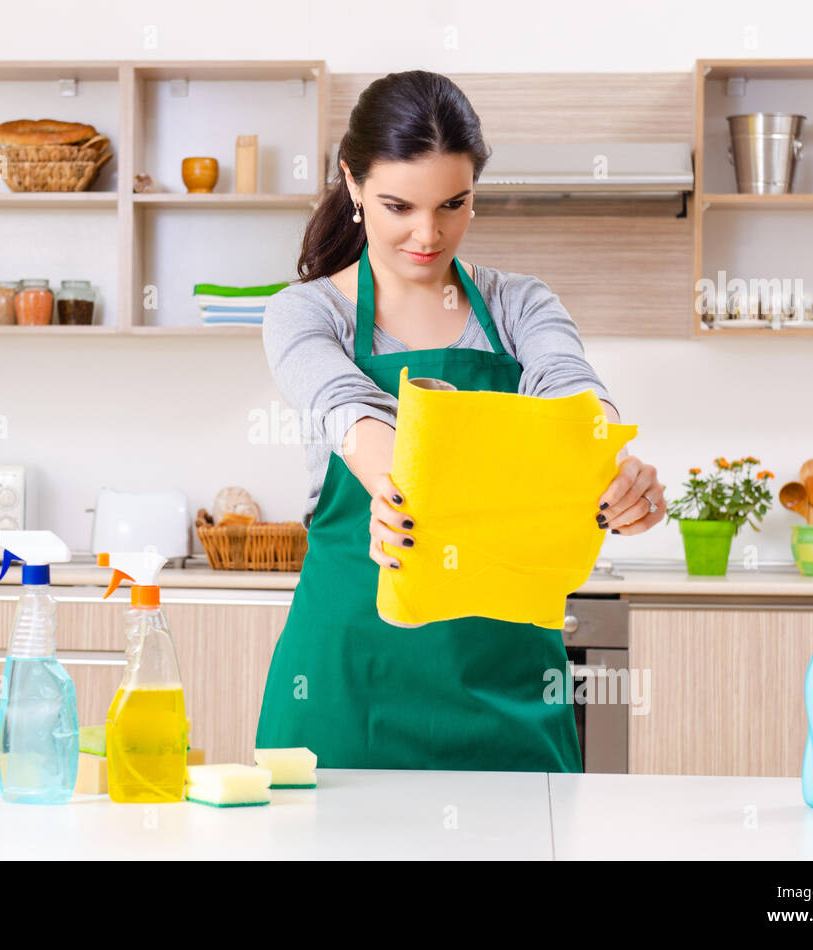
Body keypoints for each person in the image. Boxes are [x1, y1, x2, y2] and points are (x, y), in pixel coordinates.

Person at [254, 70, 665, 772]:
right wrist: (401, 496)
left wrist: (609, 465)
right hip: (351, 689)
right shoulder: (305, 312)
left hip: (506, 692)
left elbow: (571, 389)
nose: (428, 233)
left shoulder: (518, 305)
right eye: (398, 205)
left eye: (454, 204)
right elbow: (353, 417)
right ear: (350, 183)